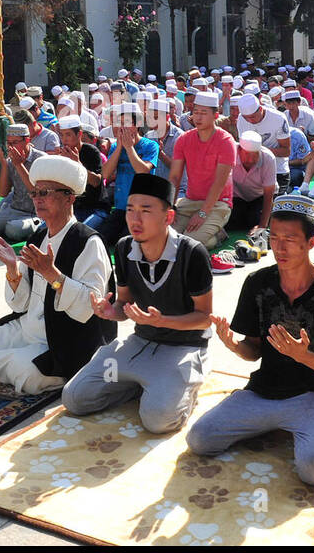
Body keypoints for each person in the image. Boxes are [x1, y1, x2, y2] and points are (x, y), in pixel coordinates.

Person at [188, 193, 314, 486]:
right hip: (265, 389)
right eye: (275, 237)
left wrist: (304, 356)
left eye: (290, 238)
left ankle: (298, 427)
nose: (279, 247)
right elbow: (253, 351)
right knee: (200, 439)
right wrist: (232, 344)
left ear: (312, 242)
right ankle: (272, 423)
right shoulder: (258, 283)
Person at [62, 173, 213, 434]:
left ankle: (178, 385)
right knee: (76, 398)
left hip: (182, 349)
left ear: (168, 217)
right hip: (140, 344)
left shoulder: (192, 253)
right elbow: (124, 304)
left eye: (145, 211)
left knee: (158, 421)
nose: (135, 219)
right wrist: (111, 311)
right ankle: (141, 384)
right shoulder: (123, 248)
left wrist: (163, 321)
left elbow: (204, 317)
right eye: (130, 210)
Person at [0, 156, 116, 393]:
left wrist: (53, 276)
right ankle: (18, 360)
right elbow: (22, 304)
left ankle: (39, 365)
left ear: (69, 197)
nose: (38, 199)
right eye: (35, 193)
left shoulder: (88, 242)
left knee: (28, 374)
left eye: (46, 192)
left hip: (65, 336)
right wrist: (12, 269)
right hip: (29, 326)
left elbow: (90, 307)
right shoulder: (37, 238)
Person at [169, 91, 235, 250]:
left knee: (188, 244)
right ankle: (210, 230)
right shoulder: (184, 139)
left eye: (203, 113)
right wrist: (170, 206)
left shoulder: (226, 141)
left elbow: (219, 183)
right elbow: (175, 177)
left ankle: (217, 235)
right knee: (165, 237)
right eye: (195, 112)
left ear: (216, 115)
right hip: (189, 201)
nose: (198, 117)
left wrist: (203, 213)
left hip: (217, 203)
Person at [94, 104, 159, 248]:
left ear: (137, 125)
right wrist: (118, 148)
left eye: (127, 123)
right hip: (121, 207)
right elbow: (105, 173)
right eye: (119, 123)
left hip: (142, 209)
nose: (122, 128)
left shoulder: (150, 146)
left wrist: (129, 148)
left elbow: (143, 171)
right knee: (100, 240)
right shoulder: (115, 147)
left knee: (125, 244)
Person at [0, 123, 44, 243]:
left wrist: (19, 165)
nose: (11, 147)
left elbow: (36, 192)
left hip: (34, 213)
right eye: (8, 143)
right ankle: (4, 227)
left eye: (14, 142)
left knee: (13, 230)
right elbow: (3, 193)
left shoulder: (41, 159)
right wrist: (5, 165)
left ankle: (8, 228)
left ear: (27, 140)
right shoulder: (11, 161)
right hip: (14, 209)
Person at [237, 93, 292, 193]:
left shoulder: (278, 118)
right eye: (246, 118)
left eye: (253, 117)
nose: (249, 121)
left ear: (261, 109)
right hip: (252, 172)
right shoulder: (241, 119)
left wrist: (258, 150)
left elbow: (286, 151)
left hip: (278, 170)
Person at [230, 131, 277, 237]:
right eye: (247, 154)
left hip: (259, 196)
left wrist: (262, 226)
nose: (250, 160)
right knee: (230, 220)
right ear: (239, 150)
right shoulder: (230, 152)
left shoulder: (268, 158)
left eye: (255, 155)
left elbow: (268, 195)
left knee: (255, 219)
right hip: (236, 197)